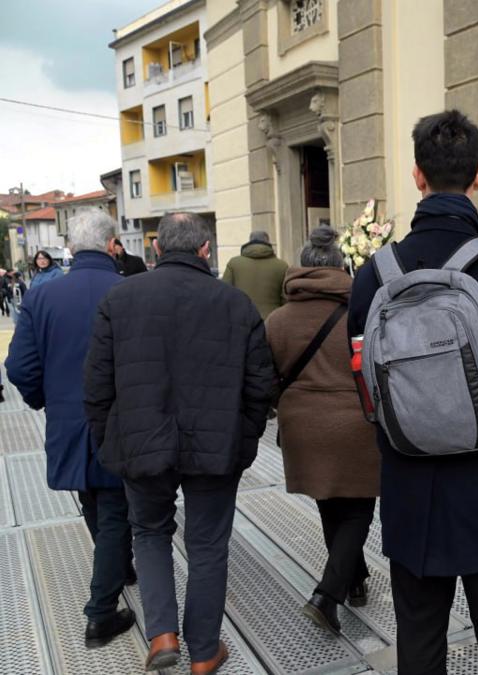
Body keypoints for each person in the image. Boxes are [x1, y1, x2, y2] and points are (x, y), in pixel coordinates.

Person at [347, 109, 478, 674]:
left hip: (412, 494)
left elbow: (366, 388)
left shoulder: (374, 275)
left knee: (419, 645)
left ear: (417, 176)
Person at [84, 212, 276, 674]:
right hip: (216, 446)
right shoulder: (236, 304)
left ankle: (163, 635)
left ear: (155, 249)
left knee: (149, 533)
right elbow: (260, 387)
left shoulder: (120, 299)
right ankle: (205, 652)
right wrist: (244, 443)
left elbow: (96, 386)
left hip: (141, 442)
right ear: (205, 251)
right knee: (208, 543)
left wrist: (111, 439)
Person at [5, 211, 135, 649]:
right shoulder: (129, 291)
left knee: (95, 499)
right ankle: (101, 613)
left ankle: (117, 565)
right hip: (121, 419)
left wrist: (49, 401)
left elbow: (19, 366)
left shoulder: (42, 296)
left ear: (71, 247)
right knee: (116, 505)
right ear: (112, 243)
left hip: (68, 419)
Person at [265, 226, 380, 633]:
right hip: (356, 426)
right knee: (359, 509)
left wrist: (288, 407)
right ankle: (327, 595)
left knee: (331, 504)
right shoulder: (363, 313)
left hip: (302, 428)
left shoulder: (277, 320)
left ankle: (356, 579)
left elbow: (266, 379)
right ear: (341, 266)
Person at [221, 230, 288, 319]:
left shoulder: (234, 263)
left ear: (250, 241)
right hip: (271, 322)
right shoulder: (282, 266)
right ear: (268, 242)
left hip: (242, 320)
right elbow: (286, 299)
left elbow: (225, 294)